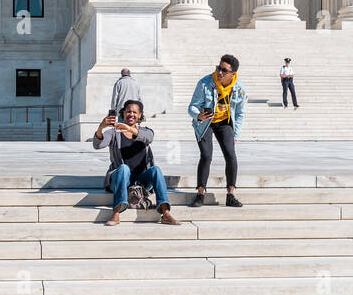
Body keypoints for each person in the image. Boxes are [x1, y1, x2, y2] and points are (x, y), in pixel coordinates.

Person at [93, 99, 178, 226]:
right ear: (123, 114)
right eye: (128, 111)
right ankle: (116, 212)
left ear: (139, 115)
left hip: (141, 181)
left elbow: (149, 138)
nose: (131, 114)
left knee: (156, 170)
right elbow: (98, 145)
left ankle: (165, 212)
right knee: (123, 168)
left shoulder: (146, 131)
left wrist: (130, 129)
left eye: (134, 112)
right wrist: (101, 127)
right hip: (121, 179)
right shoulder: (114, 132)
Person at [188, 54, 246, 207]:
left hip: (224, 123)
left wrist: (236, 134)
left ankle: (230, 194)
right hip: (205, 122)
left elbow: (240, 113)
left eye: (224, 70)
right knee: (206, 155)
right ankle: (200, 194)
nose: (220, 72)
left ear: (232, 74)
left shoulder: (239, 89)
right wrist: (198, 115)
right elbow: (192, 106)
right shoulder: (205, 83)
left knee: (231, 155)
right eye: (218, 68)